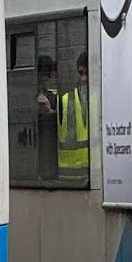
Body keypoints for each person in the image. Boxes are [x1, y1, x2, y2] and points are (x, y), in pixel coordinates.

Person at [57, 51, 90, 183]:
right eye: (81, 73)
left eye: (87, 74)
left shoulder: (103, 99)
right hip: (67, 182)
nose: (83, 79)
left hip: (96, 179)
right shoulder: (63, 100)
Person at [35, 55, 60, 180]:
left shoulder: (51, 97)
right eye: (45, 75)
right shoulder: (28, 95)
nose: (46, 78)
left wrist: (49, 112)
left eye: (48, 75)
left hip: (49, 150)